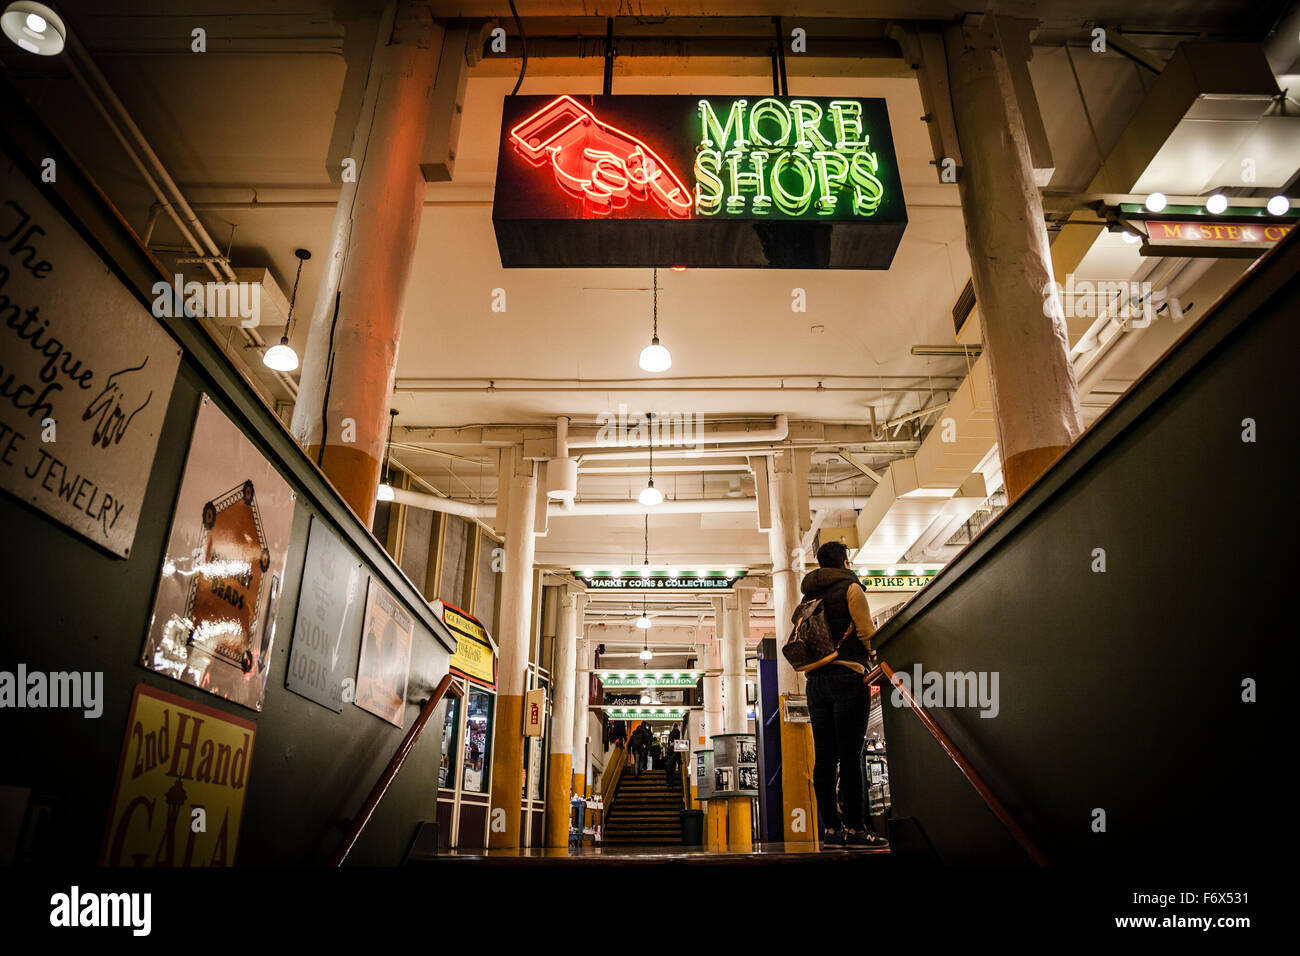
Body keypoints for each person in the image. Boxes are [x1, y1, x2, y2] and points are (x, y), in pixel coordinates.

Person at [800, 540, 889, 849]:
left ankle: (832, 830)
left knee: (824, 757)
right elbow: (867, 633)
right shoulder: (851, 589)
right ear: (845, 563)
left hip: (815, 681)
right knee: (851, 757)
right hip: (848, 676)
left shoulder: (809, 595)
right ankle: (856, 828)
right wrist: (876, 656)